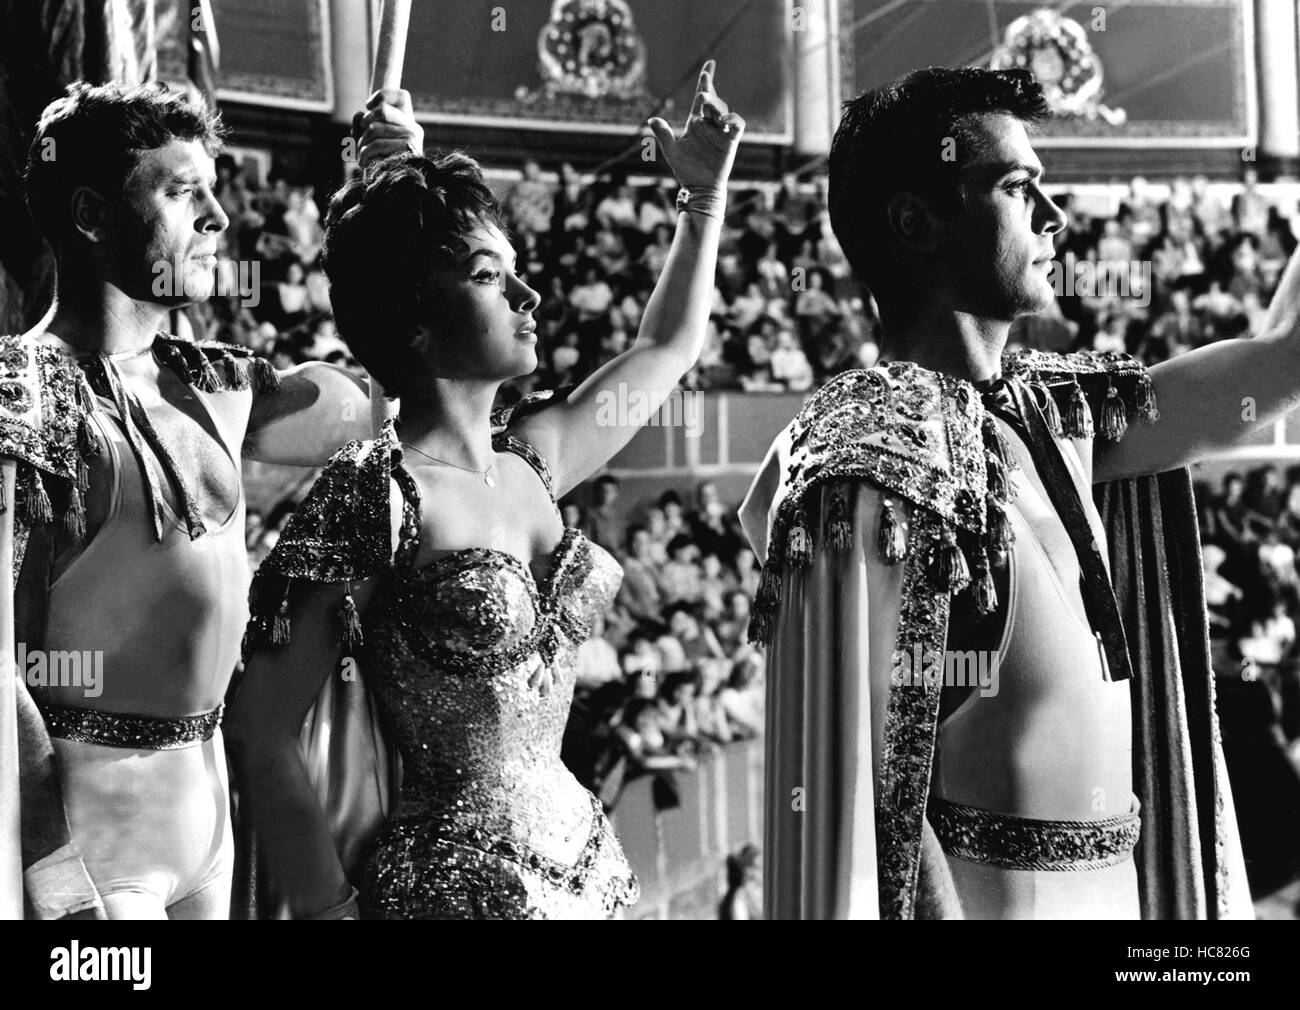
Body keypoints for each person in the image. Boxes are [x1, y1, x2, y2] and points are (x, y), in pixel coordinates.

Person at [738, 66, 1294, 920]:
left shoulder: (1054, 418)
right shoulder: (867, 462)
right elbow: (857, 808)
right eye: (1015, 186)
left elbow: (1280, 359)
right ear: (916, 221)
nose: (1056, 215)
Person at [225, 62, 743, 919]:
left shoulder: (536, 460)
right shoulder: (375, 491)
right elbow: (260, 725)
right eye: (488, 274)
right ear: (415, 319)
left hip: (594, 876)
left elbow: (670, 348)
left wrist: (704, 198)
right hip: (450, 898)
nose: (529, 293)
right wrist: (329, 911)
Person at [0, 81, 420, 919]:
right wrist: (52, 881)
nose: (219, 217)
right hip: (87, 834)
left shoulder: (218, 383)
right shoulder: (17, 392)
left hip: (208, 812)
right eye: (182, 191)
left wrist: (389, 197)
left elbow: (387, 400)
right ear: (91, 214)